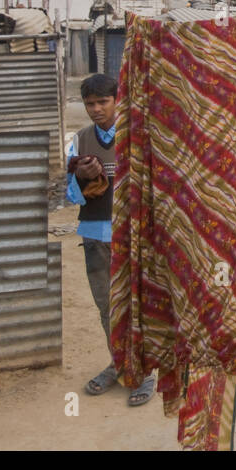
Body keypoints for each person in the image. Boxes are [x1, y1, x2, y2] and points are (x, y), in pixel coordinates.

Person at [67, 74, 156, 405]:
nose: (96, 109)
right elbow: (72, 197)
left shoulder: (137, 137)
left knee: (136, 305)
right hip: (95, 234)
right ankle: (119, 363)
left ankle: (143, 371)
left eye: (102, 102)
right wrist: (81, 176)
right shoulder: (79, 140)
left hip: (134, 236)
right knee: (107, 306)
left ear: (118, 100)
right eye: (90, 104)